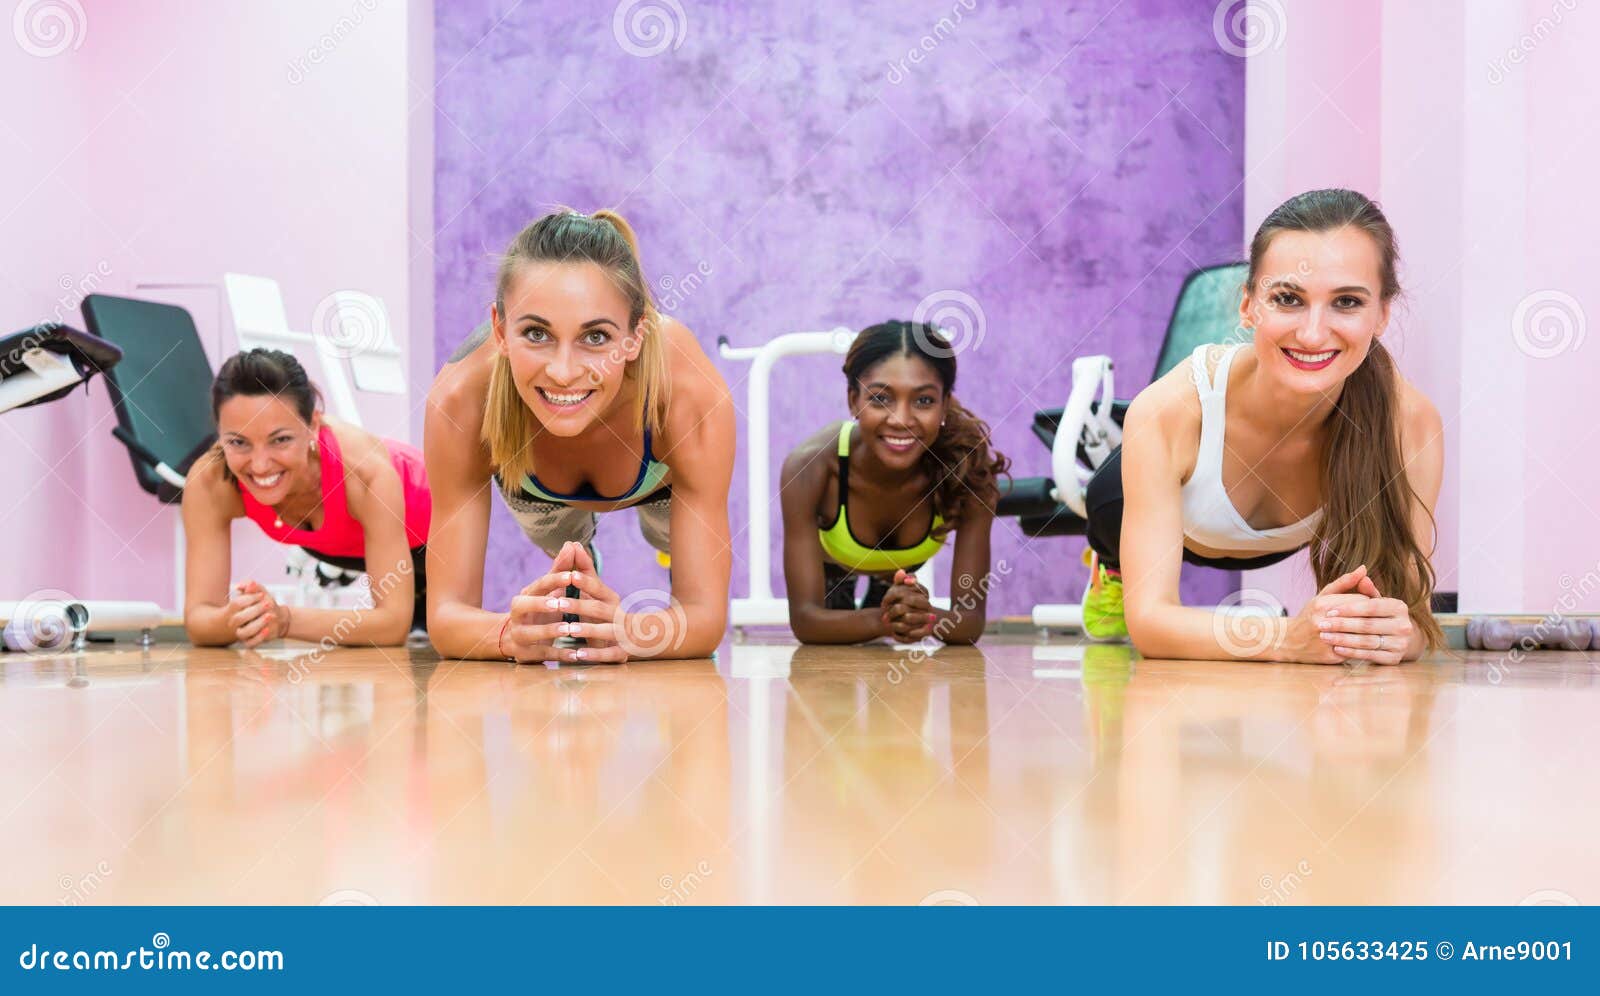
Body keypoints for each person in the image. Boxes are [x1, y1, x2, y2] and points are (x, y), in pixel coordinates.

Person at [1082, 188, 1444, 664]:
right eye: (1288, 298)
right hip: (1123, 507)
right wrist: (1287, 639)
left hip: (1270, 542)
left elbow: (1411, 619)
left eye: (1348, 302)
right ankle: (1110, 569)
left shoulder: (1411, 426)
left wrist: (1396, 635)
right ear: (1249, 304)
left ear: (1382, 313)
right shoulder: (1167, 412)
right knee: (1115, 532)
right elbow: (1150, 625)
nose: (1314, 333)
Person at [424, 208, 734, 664]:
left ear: (635, 336)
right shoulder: (459, 401)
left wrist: (630, 632)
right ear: (499, 330)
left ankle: (641, 558)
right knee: (562, 541)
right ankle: (580, 561)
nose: (564, 372)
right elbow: (446, 617)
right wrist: (511, 635)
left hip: (657, 482)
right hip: (536, 486)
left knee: (676, 544)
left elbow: (704, 619)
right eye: (536, 333)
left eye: (595, 337)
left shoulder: (686, 394)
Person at [780, 320, 1009, 645]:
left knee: (888, 667)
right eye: (880, 399)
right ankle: (864, 590)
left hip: (901, 567)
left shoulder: (969, 471)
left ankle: (887, 588)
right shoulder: (811, 468)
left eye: (924, 401)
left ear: (945, 403)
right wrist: (886, 619)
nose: (901, 420)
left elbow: (969, 622)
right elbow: (806, 621)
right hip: (833, 563)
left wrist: (919, 615)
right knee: (835, 667)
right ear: (853, 400)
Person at [182, 349, 430, 648]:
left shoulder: (365, 473)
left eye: (280, 439)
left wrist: (285, 620)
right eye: (238, 442)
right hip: (342, 545)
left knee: (440, 641)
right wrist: (244, 616)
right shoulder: (211, 482)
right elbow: (199, 620)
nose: (260, 465)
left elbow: (392, 627)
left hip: (429, 532)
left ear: (313, 424)